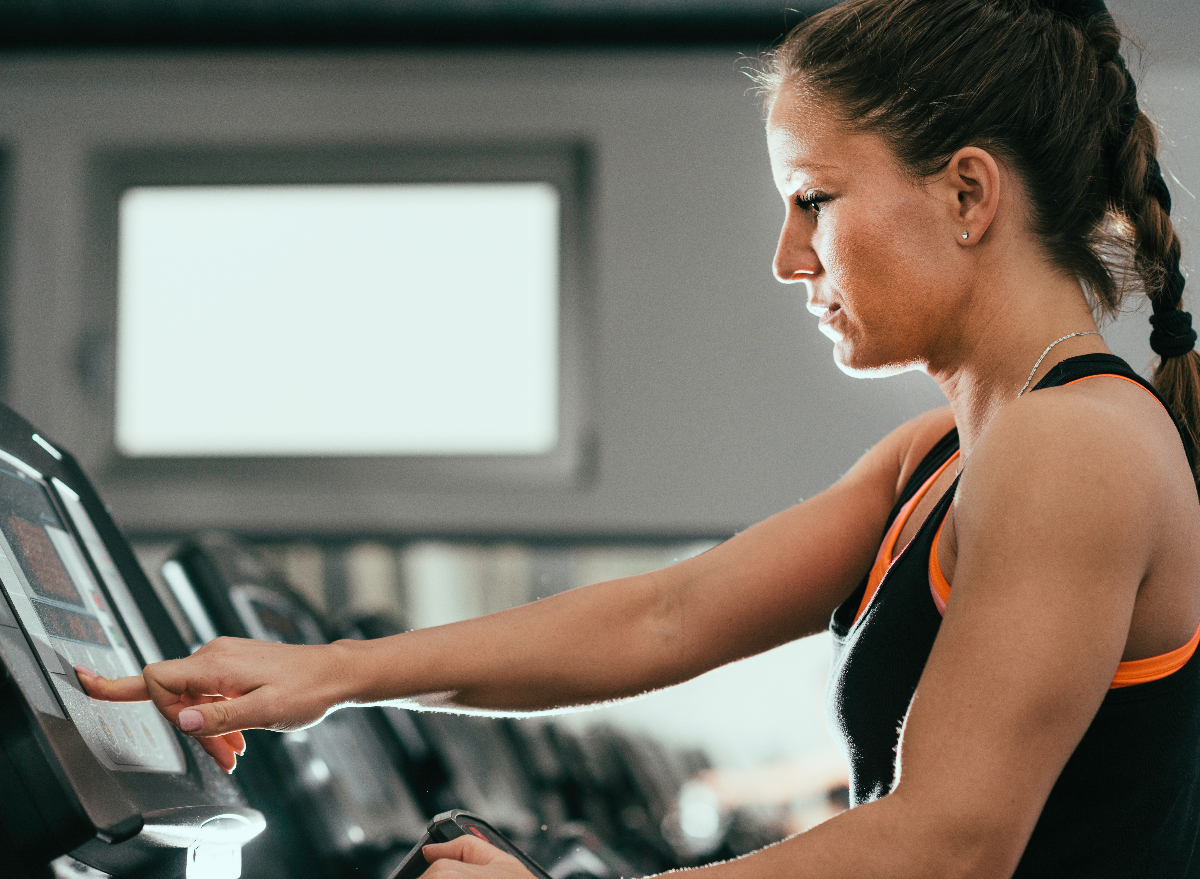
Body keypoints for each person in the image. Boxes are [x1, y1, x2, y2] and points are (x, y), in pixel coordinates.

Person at [78, 0, 1200, 875]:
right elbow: (668, 615)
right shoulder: (944, 459)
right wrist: (331, 675)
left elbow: (948, 847)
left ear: (967, 194)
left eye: (814, 200)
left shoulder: (1076, 448)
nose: (788, 259)